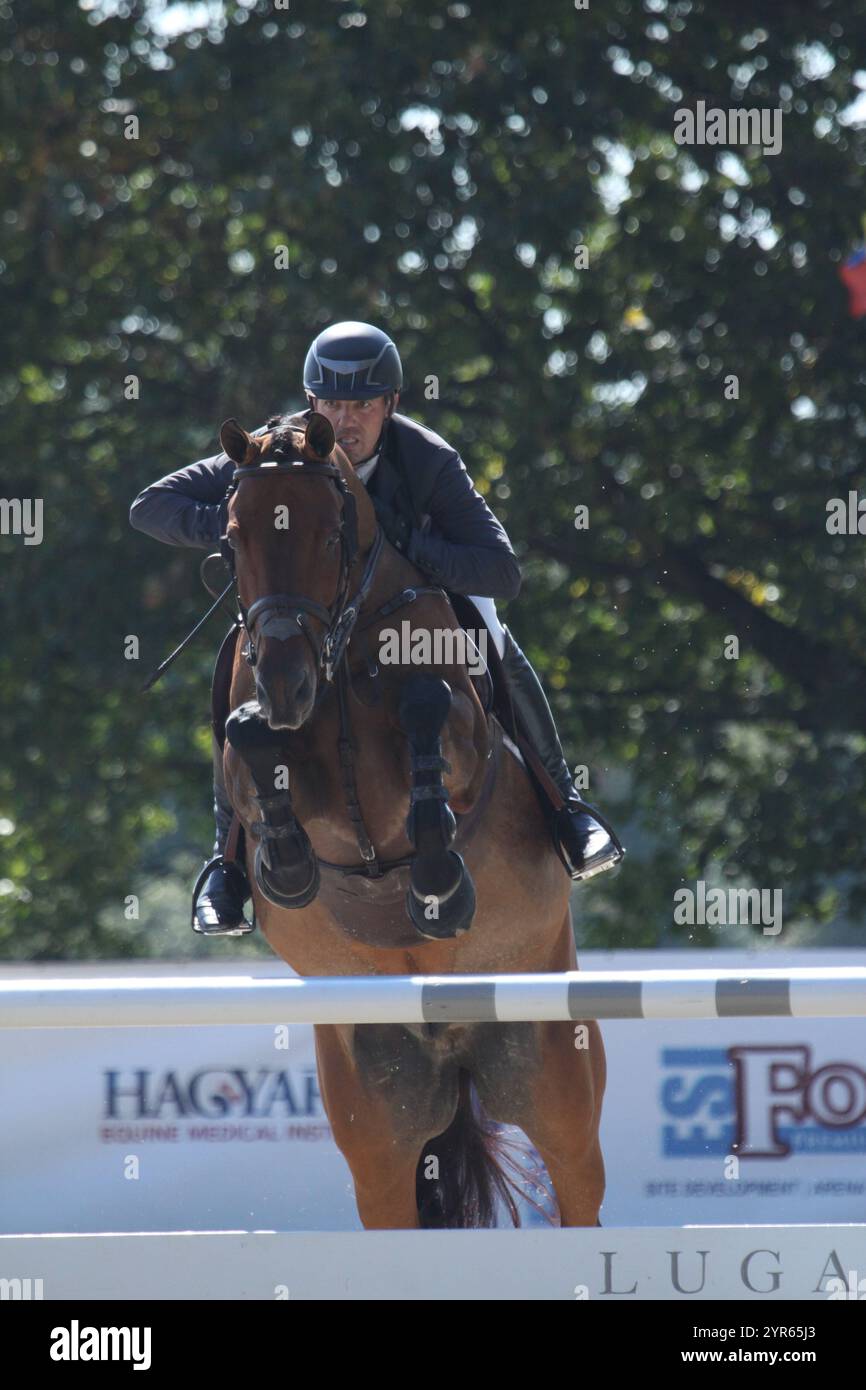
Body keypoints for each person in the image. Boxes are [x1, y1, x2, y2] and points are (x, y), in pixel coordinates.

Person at [130, 321, 624, 933]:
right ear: (311, 403)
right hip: (312, 611)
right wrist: (241, 524)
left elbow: (501, 570)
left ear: (391, 404)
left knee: (491, 629)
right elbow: (149, 506)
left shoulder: (427, 459)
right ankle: (226, 861)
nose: (345, 421)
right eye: (331, 403)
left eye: (363, 404)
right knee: (238, 649)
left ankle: (565, 808)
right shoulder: (272, 454)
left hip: (414, 611)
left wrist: (406, 540)